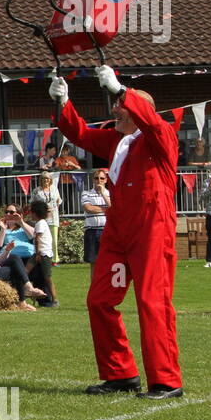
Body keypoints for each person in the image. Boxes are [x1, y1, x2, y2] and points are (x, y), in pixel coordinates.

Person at [50, 66, 182, 398]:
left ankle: (166, 380)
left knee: (153, 302)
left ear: (140, 110)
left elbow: (150, 120)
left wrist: (122, 89)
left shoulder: (161, 136)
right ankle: (120, 373)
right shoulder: (117, 141)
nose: (114, 110)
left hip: (152, 231)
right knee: (100, 300)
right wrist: (63, 101)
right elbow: (79, 133)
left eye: (119, 106)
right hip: (120, 232)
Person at [25, 199, 58, 307]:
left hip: (43, 254)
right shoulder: (42, 223)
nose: (30, 215)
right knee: (25, 272)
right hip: (39, 253)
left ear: (35, 213)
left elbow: (37, 239)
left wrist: (38, 254)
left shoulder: (40, 223)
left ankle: (55, 299)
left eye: (31, 212)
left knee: (47, 277)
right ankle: (25, 291)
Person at [29, 170, 63, 263]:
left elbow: (58, 201)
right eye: (44, 178)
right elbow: (32, 203)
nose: (46, 180)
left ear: (50, 180)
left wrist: (53, 209)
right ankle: (42, 257)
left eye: (47, 178)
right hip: (41, 218)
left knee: (54, 239)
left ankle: (55, 259)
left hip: (53, 217)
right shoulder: (36, 191)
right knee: (42, 238)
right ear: (41, 180)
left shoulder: (54, 189)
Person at [81, 169, 110, 266]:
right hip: (91, 231)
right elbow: (88, 208)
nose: (99, 180)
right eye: (96, 178)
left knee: (108, 262)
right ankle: (94, 282)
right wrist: (107, 209)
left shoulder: (110, 194)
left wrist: (103, 194)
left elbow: (113, 207)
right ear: (93, 180)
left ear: (106, 180)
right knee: (94, 264)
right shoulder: (86, 193)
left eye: (102, 178)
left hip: (107, 231)